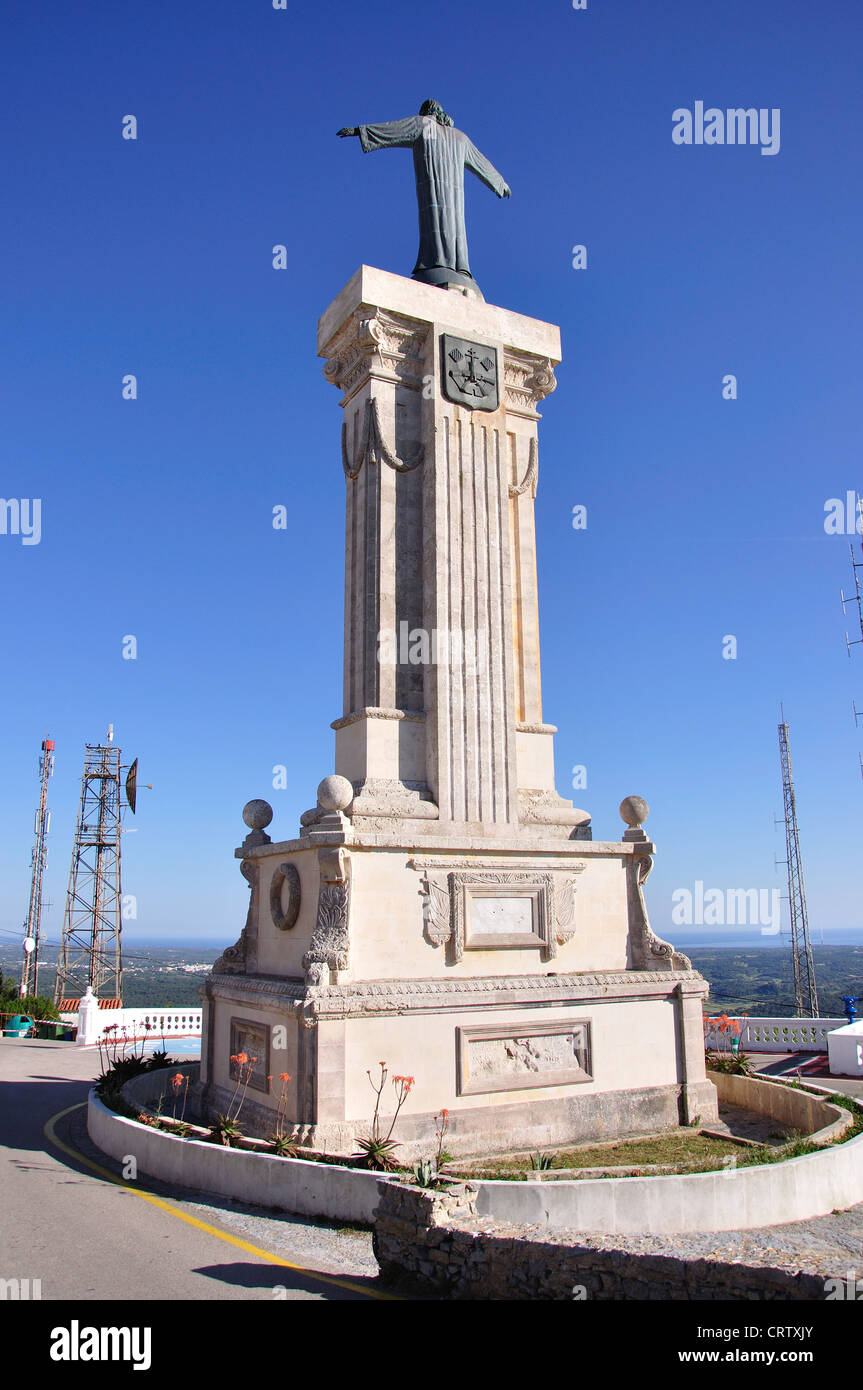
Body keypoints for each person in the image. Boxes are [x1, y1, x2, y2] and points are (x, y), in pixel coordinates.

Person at [338, 99, 510, 291]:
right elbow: (481, 163)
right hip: (454, 196)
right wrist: (500, 183)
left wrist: (359, 131)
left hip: (433, 188)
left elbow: (394, 130)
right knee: (455, 224)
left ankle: (436, 263)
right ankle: (458, 266)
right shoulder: (460, 137)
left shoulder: (424, 125)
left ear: (427, 113)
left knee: (435, 221)